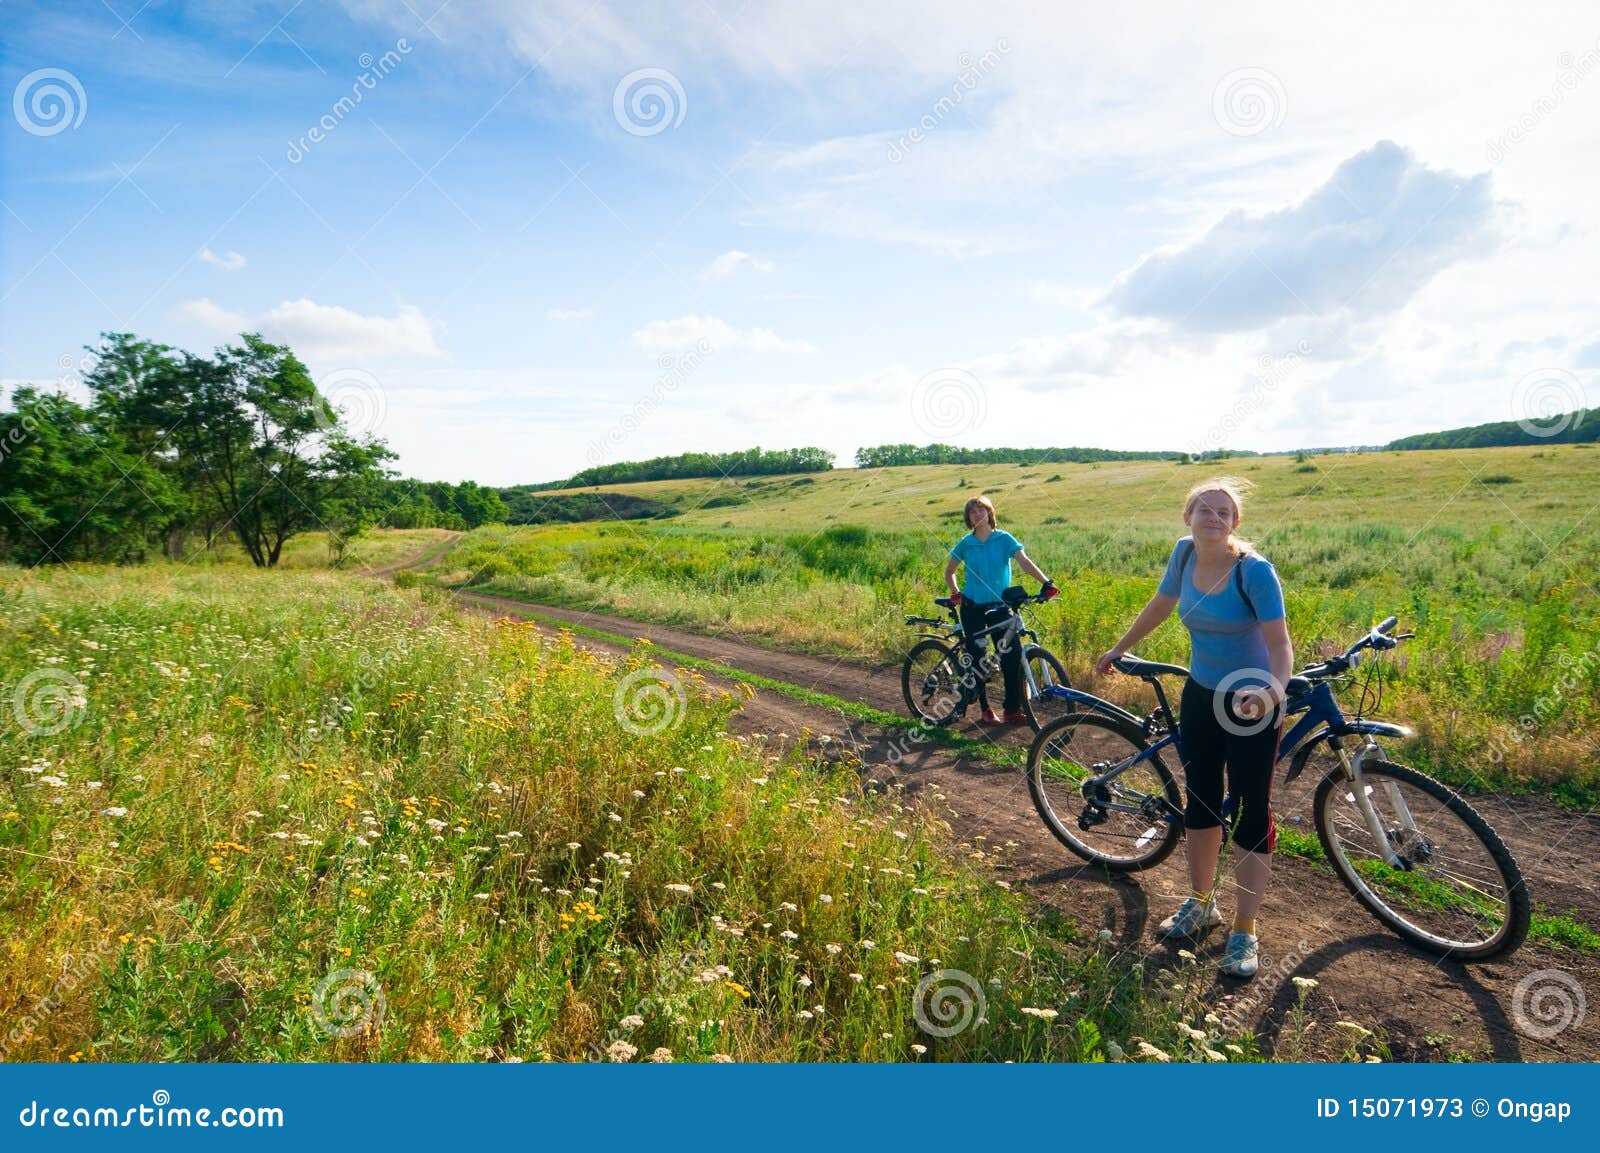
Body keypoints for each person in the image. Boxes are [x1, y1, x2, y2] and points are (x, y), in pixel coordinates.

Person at [1094, 478, 1292, 978]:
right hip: (1201, 694)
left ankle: (1245, 930)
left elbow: (1280, 645)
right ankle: (1201, 902)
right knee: (1201, 801)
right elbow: (1162, 604)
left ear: (1235, 522)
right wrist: (1120, 646)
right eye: (1204, 509)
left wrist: (1270, 691)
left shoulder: (1255, 572)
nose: (1213, 517)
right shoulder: (1184, 555)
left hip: (1250, 700)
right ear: (1188, 517)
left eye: (1223, 511)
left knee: (1250, 811)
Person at [945, 496, 1057, 725]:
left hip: (1000, 606)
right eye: (972, 512)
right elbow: (950, 571)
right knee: (978, 660)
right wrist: (955, 591)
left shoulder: (1004, 539)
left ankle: (1012, 710)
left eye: (981, 510)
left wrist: (1047, 582)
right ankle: (985, 710)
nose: (977, 515)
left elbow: (1024, 562)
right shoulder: (966, 543)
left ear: (989, 513)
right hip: (972, 606)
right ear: (968, 518)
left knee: (1012, 657)